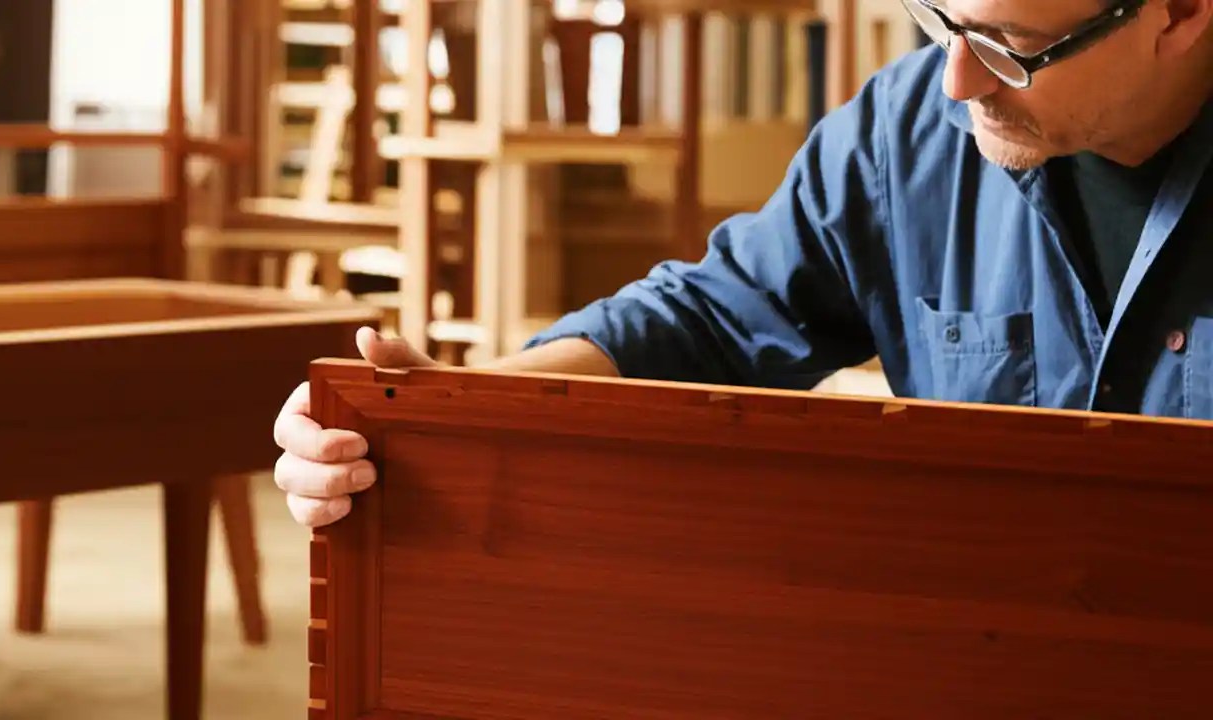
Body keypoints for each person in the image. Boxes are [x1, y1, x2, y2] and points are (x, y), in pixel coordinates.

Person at [273, 0, 1213, 528]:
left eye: (1010, 52)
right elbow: (717, 316)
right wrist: (460, 412)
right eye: (940, 20)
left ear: (1177, 13)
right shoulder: (906, 134)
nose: (957, 81)